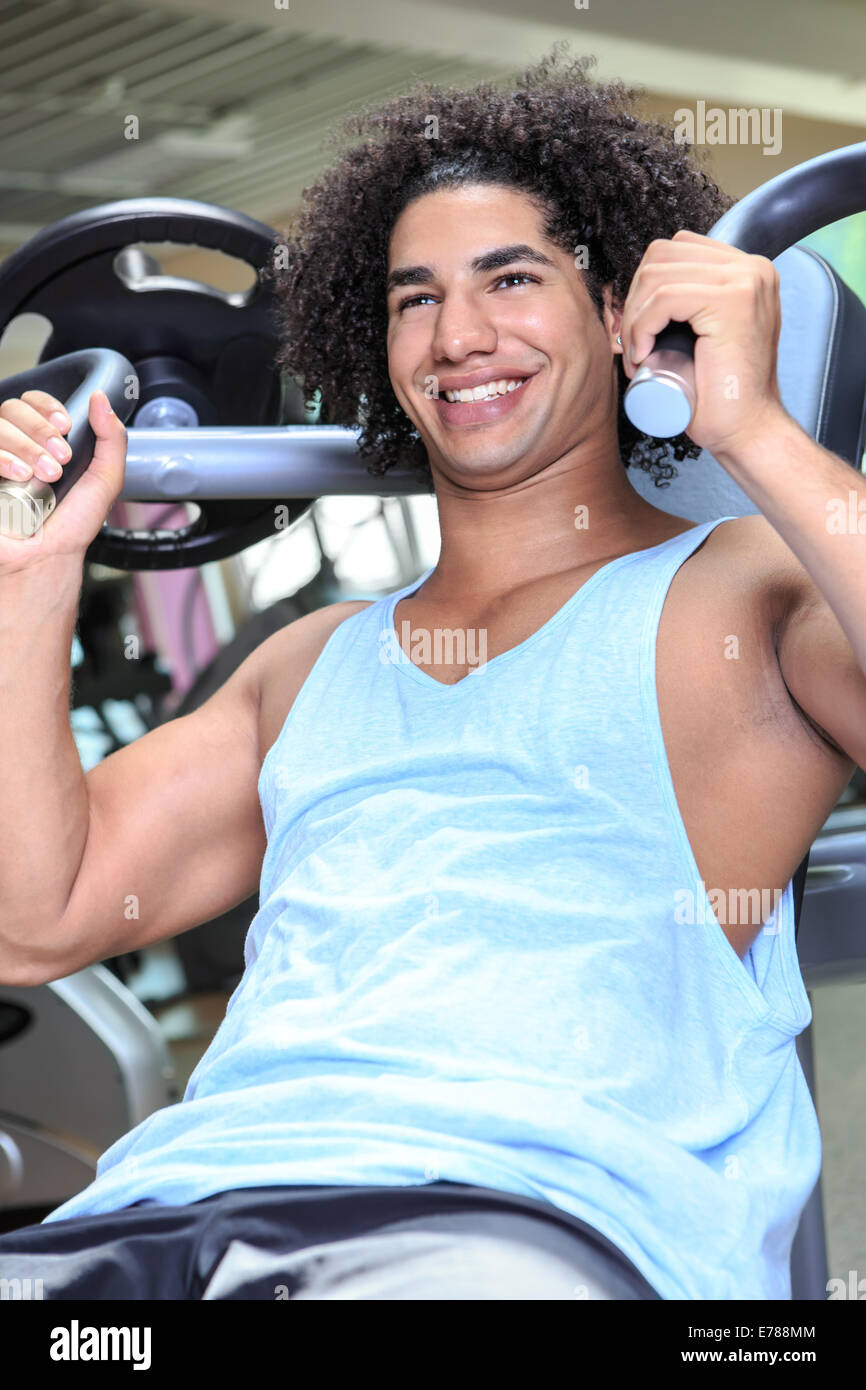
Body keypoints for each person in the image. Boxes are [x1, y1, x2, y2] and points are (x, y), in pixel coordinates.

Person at [0, 47, 862, 1300]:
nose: (459, 336)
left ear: (617, 309)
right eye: (414, 298)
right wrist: (31, 577)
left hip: (510, 1224)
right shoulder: (304, 663)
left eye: (510, 279)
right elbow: (36, 918)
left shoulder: (743, 593)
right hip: (172, 1211)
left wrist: (750, 427)